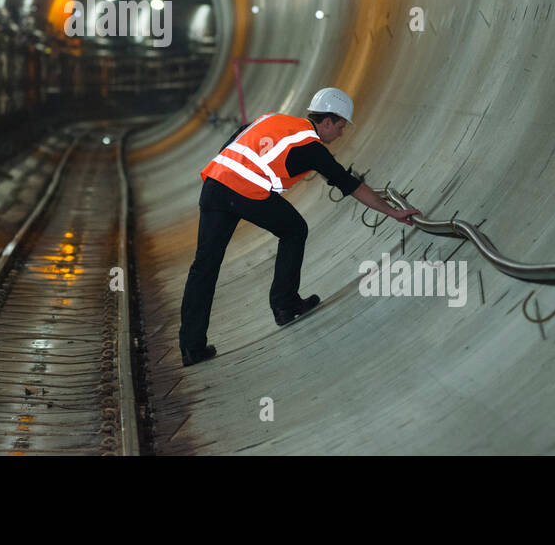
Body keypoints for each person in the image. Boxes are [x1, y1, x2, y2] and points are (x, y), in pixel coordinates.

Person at [178, 87, 421, 367]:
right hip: (244, 191)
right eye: (341, 126)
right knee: (294, 230)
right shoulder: (310, 146)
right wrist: (392, 212)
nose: (341, 134)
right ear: (327, 121)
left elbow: (233, 142)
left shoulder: (273, 119)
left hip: (214, 185)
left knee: (204, 266)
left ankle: (191, 347)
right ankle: (285, 304)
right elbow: (349, 184)